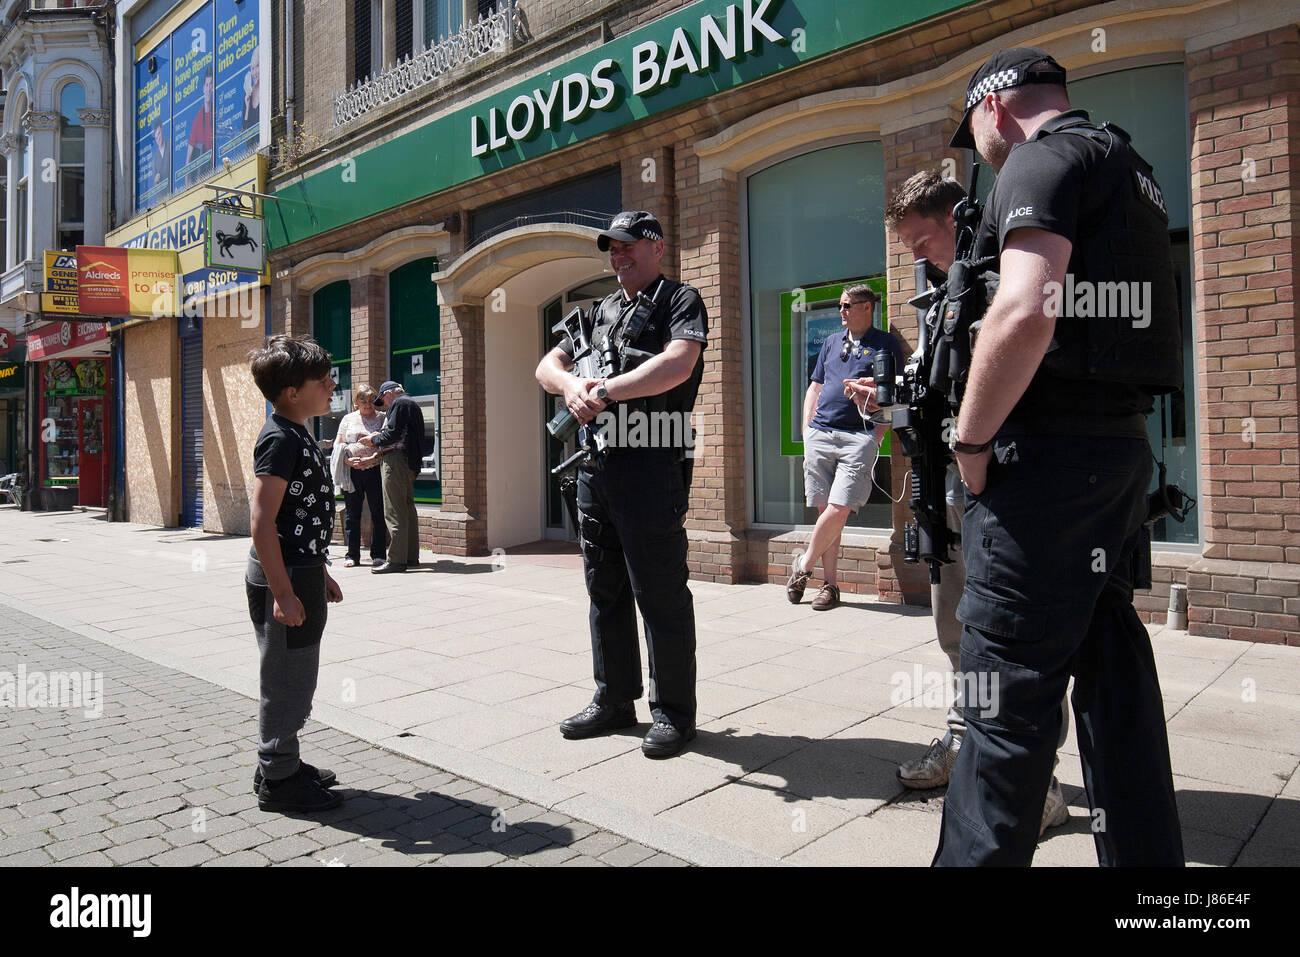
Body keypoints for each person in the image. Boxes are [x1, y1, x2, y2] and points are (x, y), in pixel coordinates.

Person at [934, 48, 1184, 865]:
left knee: (1000, 714)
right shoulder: (1130, 167)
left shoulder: (1040, 157)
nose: (981, 154)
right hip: (1115, 456)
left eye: (976, 134)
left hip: (1040, 470)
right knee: (1115, 691)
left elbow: (1025, 309)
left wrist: (969, 441)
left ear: (995, 107)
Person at [846, 168, 1068, 836]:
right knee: (955, 629)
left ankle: (1039, 783)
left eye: (921, 240)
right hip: (945, 488)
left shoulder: (1002, 281)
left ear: (953, 220)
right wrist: (883, 402)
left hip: (999, 485)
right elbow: (932, 390)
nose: (915, 255)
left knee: (1011, 641)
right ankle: (966, 742)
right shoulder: (945, 297)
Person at [534, 210, 707, 758]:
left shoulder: (680, 301)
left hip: (652, 462)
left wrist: (604, 391)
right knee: (602, 587)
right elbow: (546, 365)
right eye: (612, 249)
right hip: (594, 466)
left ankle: (674, 714)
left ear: (657, 247)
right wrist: (570, 387)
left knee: (658, 593)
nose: (619, 256)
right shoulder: (595, 311)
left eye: (630, 246)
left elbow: (677, 365)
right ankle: (614, 699)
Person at [246, 334, 344, 813]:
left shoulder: (298, 429)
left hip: (301, 570)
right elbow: (263, 524)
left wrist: (319, 572)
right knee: (285, 680)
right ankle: (279, 779)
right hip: (281, 577)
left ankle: (280, 760)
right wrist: (284, 595)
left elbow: (300, 518)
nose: (331, 384)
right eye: (321, 379)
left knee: (297, 674)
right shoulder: (279, 437)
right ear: (290, 391)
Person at [786, 285, 904, 612]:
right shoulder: (830, 343)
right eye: (840, 305)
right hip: (821, 434)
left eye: (847, 305)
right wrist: (806, 430)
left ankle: (803, 567)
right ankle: (830, 586)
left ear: (867, 307)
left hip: (859, 437)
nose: (841, 311)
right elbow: (816, 386)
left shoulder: (885, 344)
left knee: (840, 507)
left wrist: (877, 434)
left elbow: (894, 395)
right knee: (826, 513)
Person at [358, 381, 427, 573]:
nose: (384, 405)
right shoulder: (412, 404)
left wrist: (373, 439)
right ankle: (411, 557)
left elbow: (392, 434)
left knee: (394, 511)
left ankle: (397, 560)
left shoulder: (399, 404)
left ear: (388, 393)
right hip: (409, 462)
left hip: (395, 463)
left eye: (382, 400)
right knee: (407, 510)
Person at [335, 384, 387, 568]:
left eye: (371, 400)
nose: (367, 404)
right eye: (363, 400)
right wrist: (348, 462)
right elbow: (338, 444)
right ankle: (352, 555)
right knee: (352, 514)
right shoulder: (347, 419)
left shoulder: (383, 418)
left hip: (375, 470)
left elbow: (387, 443)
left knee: (378, 512)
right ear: (356, 402)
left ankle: (379, 554)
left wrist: (373, 457)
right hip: (353, 472)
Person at [186, 67, 214, 171]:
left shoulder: (216, 111)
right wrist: (187, 184)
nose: (208, 88)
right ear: (203, 88)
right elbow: (188, 159)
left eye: (211, 84)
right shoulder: (198, 118)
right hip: (205, 171)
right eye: (206, 85)